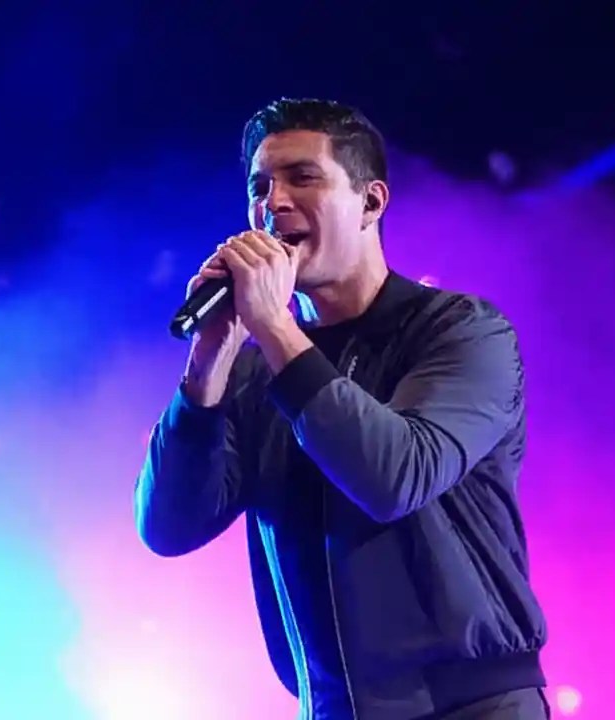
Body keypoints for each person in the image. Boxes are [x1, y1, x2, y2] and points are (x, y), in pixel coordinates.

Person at [134, 97, 550, 720]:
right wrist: (210, 359)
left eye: (303, 177)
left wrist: (273, 326)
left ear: (371, 202)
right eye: (260, 185)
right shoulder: (254, 370)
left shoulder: (462, 332)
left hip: (472, 706)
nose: (272, 203)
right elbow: (168, 528)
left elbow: (393, 478)